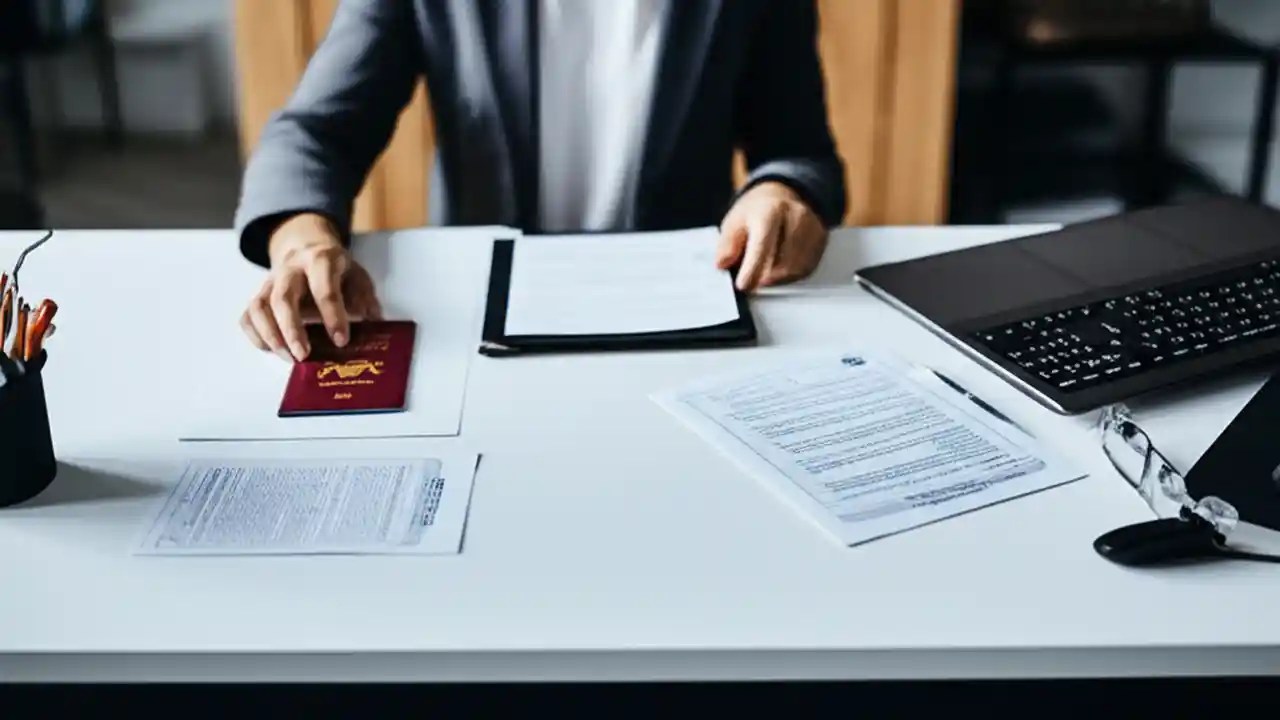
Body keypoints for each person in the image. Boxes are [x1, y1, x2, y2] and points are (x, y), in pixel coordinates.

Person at [235, 0, 846, 361]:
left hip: (678, 332)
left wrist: (782, 193)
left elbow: (799, 150)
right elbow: (315, 132)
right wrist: (303, 244)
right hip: (477, 334)